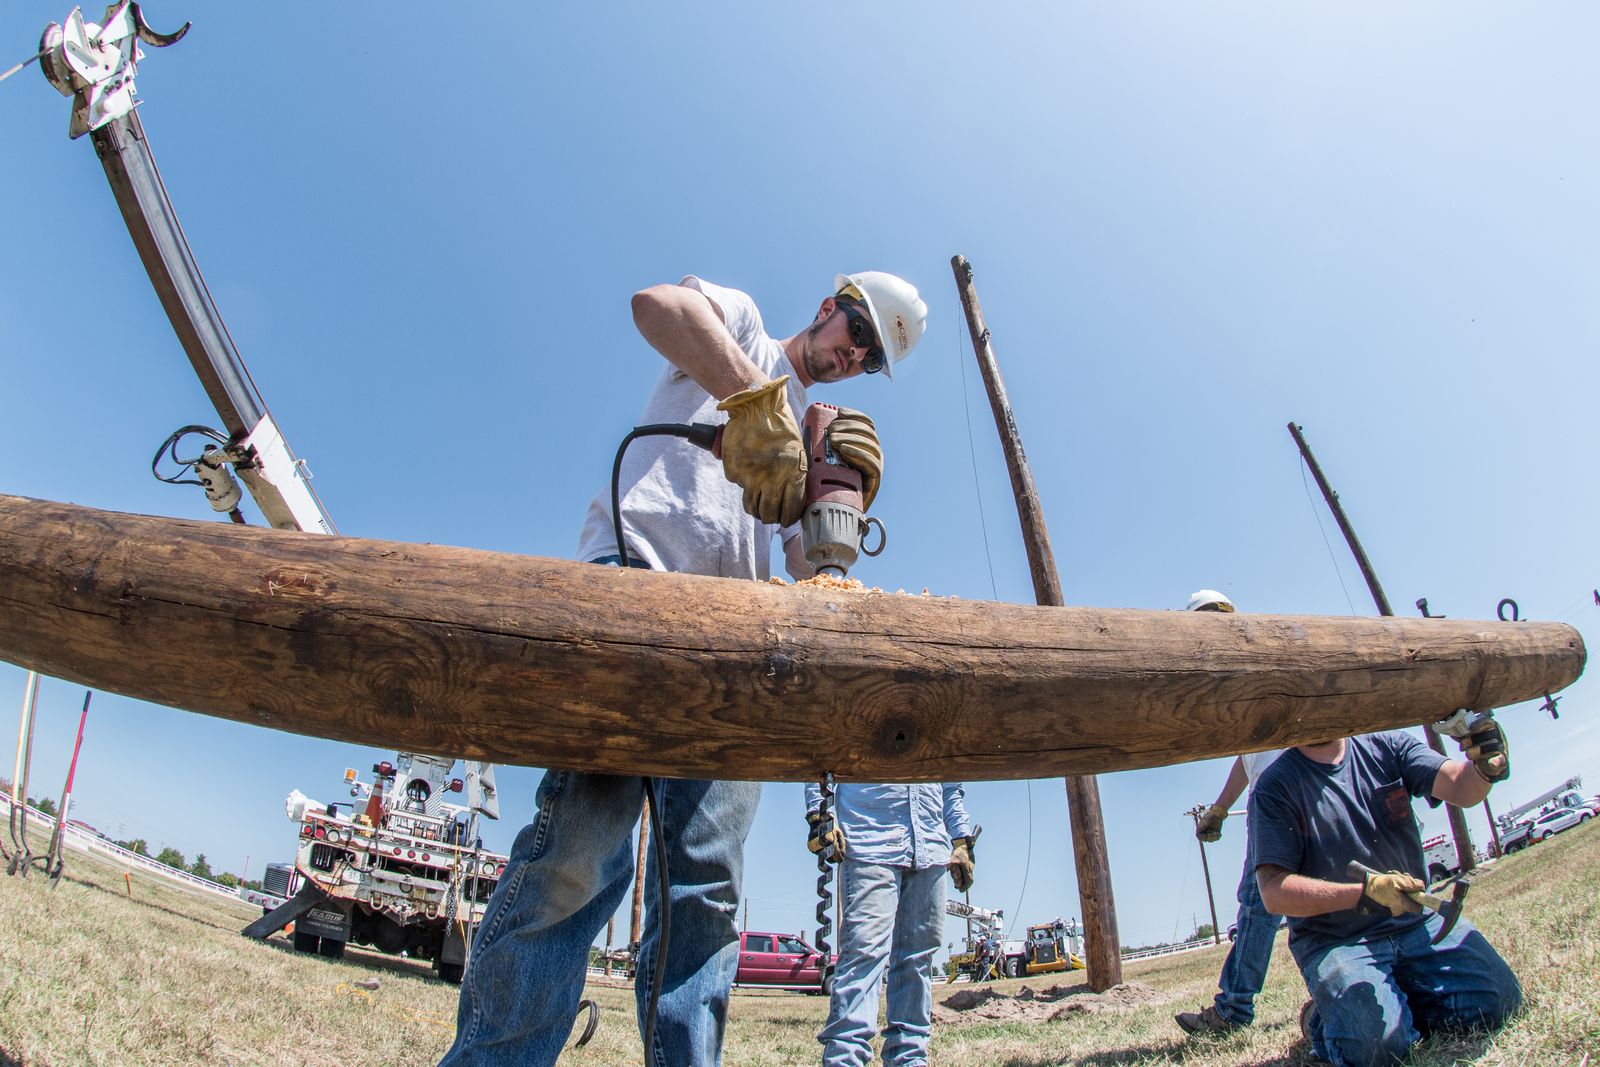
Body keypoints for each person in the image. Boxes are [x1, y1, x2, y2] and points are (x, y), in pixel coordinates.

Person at [440, 271, 928, 1067]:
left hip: (737, 642)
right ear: (827, 307)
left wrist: (845, 494)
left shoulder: (813, 432)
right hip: (634, 588)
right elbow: (653, 307)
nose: (855, 356)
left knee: (705, 895)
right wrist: (751, 398)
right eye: (859, 332)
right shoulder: (738, 324)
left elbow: (809, 566)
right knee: (576, 856)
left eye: (872, 359)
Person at [1251, 720, 1520, 1066]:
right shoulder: (1275, 787)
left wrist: (1483, 768)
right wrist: (1363, 894)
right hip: (1339, 943)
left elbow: (1460, 786)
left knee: (1500, 1001)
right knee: (1377, 1051)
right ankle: (1322, 1021)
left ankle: (1387, 1002)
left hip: (1416, 925)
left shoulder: (1388, 745)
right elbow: (1274, 891)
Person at [1175, 589, 1287, 1037]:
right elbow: (1248, 758)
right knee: (1261, 906)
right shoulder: (1232, 685)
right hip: (1270, 800)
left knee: (1273, 906)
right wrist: (1221, 808)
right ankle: (1235, 1008)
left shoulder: (1260, 662)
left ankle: (1235, 1010)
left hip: (1294, 791)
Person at [805, 782, 975, 1067]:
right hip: (869, 835)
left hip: (929, 845)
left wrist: (960, 838)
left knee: (917, 960)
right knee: (864, 956)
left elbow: (950, 777)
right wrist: (819, 814)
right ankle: (845, 1060)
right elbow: (822, 753)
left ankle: (909, 1059)